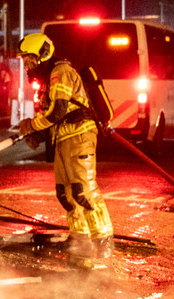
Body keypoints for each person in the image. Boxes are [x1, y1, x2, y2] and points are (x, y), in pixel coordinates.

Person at [16, 32, 113, 269]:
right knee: (66, 193)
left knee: (84, 190)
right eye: (25, 61)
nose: (27, 66)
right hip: (63, 139)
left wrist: (31, 126)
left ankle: (103, 240)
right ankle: (80, 238)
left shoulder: (61, 73)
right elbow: (53, 116)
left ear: (43, 55)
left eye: (29, 60)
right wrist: (38, 134)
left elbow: (58, 112)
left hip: (80, 135)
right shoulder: (48, 79)